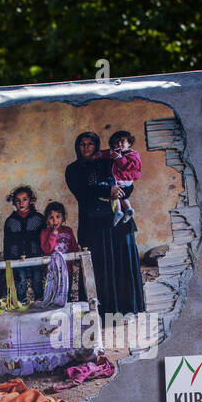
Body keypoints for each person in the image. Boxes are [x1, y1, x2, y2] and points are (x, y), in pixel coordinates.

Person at [65, 131, 146, 315]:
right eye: (82, 144)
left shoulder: (108, 160)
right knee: (99, 267)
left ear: (96, 145)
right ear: (77, 147)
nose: (86, 147)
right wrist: (106, 191)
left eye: (90, 144)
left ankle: (128, 311)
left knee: (122, 264)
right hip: (93, 224)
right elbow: (81, 192)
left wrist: (119, 192)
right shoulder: (73, 169)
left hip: (118, 223)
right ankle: (102, 314)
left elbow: (128, 181)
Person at [2, 185, 44, 303]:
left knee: (37, 281)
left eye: (25, 199)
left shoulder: (39, 219)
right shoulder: (10, 221)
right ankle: (21, 306)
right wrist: (8, 260)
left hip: (36, 256)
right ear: (14, 203)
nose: (21, 203)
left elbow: (45, 238)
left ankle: (40, 303)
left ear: (30, 200)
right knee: (20, 284)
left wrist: (45, 257)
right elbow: (7, 242)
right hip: (17, 259)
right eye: (18, 200)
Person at [107, 129, 142, 226]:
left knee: (114, 193)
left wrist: (119, 158)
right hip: (123, 181)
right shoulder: (117, 152)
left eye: (122, 142)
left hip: (124, 180)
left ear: (129, 143)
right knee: (123, 197)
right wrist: (100, 154)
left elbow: (130, 165)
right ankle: (128, 209)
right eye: (116, 143)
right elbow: (107, 153)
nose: (119, 144)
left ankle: (118, 211)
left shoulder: (133, 154)